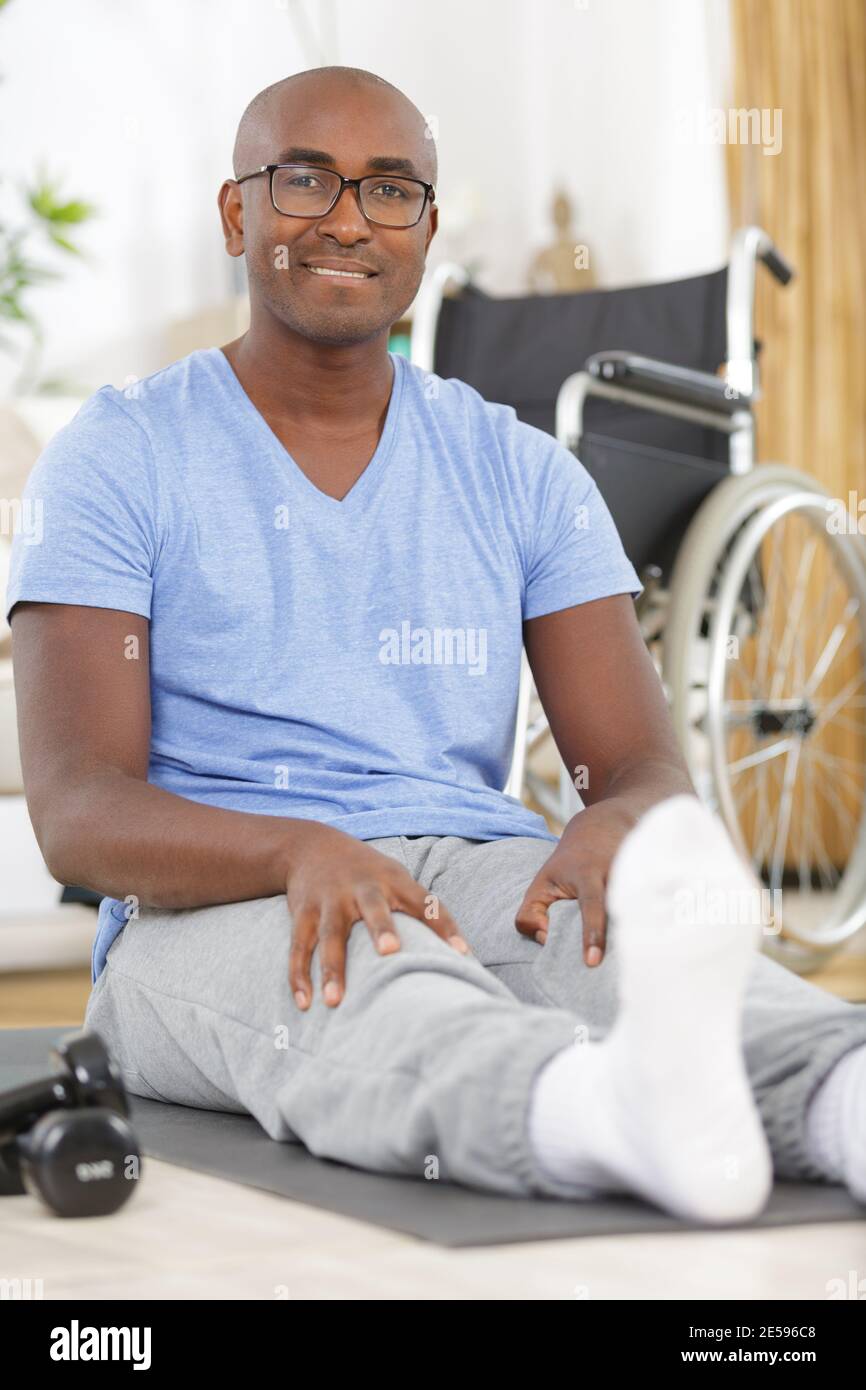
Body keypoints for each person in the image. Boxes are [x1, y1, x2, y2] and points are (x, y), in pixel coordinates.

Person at [6, 67, 865, 1223]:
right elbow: (78, 811)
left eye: (392, 189)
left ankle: (839, 1103)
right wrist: (296, 849)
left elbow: (634, 763)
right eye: (304, 179)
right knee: (373, 980)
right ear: (235, 214)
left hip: (469, 863)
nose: (350, 218)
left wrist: (612, 821)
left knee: (607, 950)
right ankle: (593, 1114)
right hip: (201, 906)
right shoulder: (119, 456)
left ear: (424, 231)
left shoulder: (519, 469)